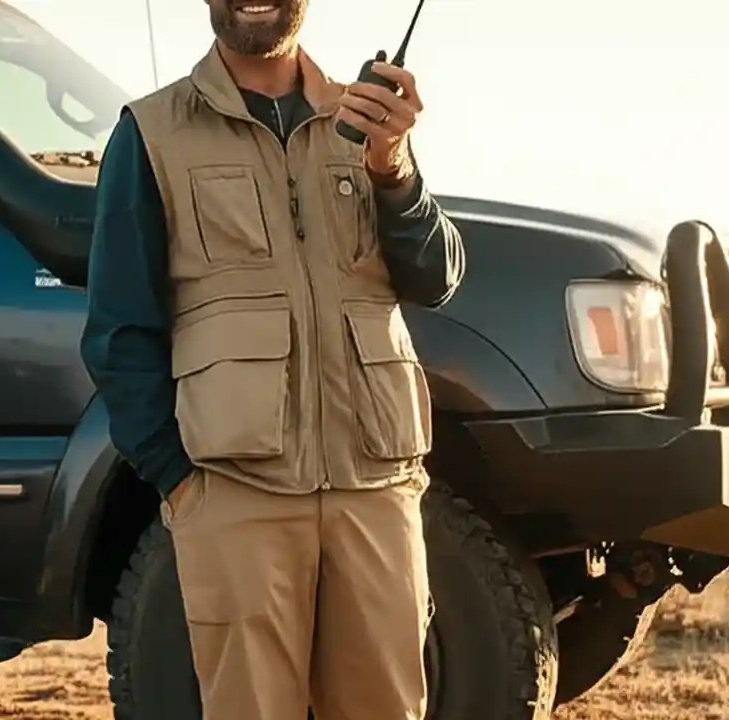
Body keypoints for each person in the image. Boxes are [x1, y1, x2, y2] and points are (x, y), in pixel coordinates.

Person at [80, 0, 465, 717]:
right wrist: (181, 483)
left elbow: (437, 277)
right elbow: (118, 333)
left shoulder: (368, 122)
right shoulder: (152, 133)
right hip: (233, 498)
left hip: (374, 492)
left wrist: (394, 171)